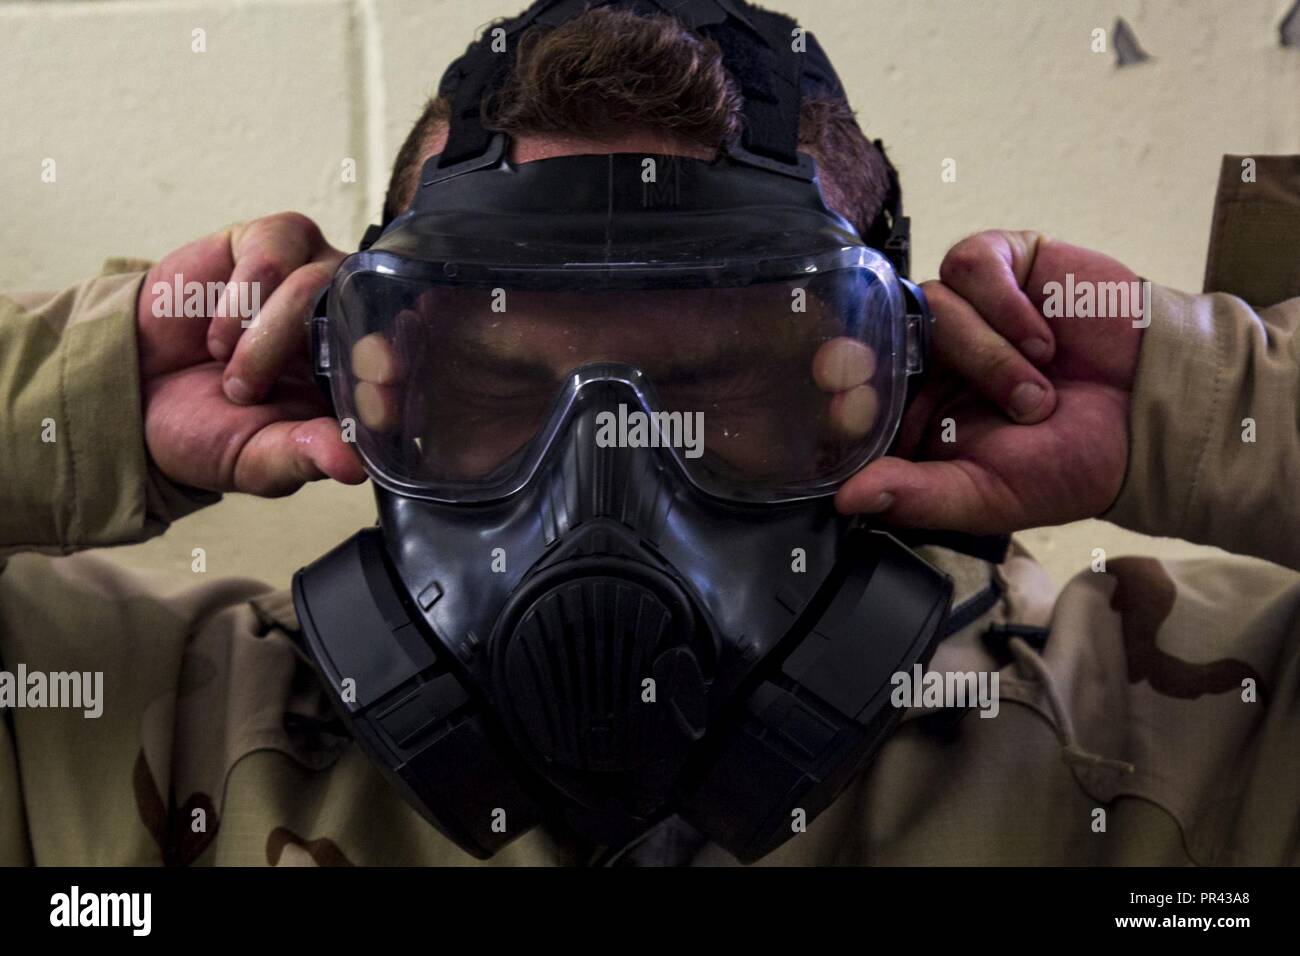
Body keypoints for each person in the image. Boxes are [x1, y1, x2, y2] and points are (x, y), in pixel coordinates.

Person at [0, 3, 1296, 867]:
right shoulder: (115, 726)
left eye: (722, 386)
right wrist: (95, 395)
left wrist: (1196, 410)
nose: (599, 490)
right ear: (355, 383)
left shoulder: (1173, 735)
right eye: (504, 383)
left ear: (906, 386)